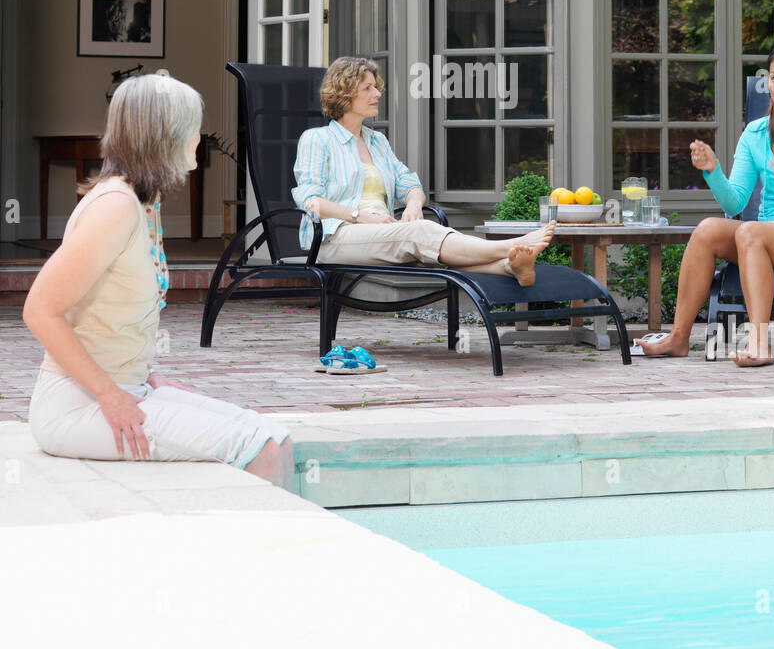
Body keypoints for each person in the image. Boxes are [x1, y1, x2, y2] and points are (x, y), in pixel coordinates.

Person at [24, 73, 294, 487]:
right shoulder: (114, 207)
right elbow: (41, 311)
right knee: (263, 447)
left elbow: (108, 312)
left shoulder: (141, 202)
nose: (198, 139)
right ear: (163, 136)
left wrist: (141, 374)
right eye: (191, 128)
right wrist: (111, 395)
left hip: (125, 387)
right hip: (76, 405)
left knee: (273, 435)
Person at [639, 40, 774, 367]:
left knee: (751, 233)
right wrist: (713, 171)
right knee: (708, 229)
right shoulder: (755, 133)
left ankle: (758, 343)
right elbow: (735, 200)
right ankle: (677, 338)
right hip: (767, 238)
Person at [292, 56, 555, 285]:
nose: (377, 94)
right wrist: (361, 217)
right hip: (334, 238)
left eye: (376, 86)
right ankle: (509, 247)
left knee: (422, 237)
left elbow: (410, 184)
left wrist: (413, 206)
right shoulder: (317, 139)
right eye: (367, 88)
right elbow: (311, 202)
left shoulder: (377, 141)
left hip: (384, 234)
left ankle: (509, 267)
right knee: (420, 233)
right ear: (344, 93)